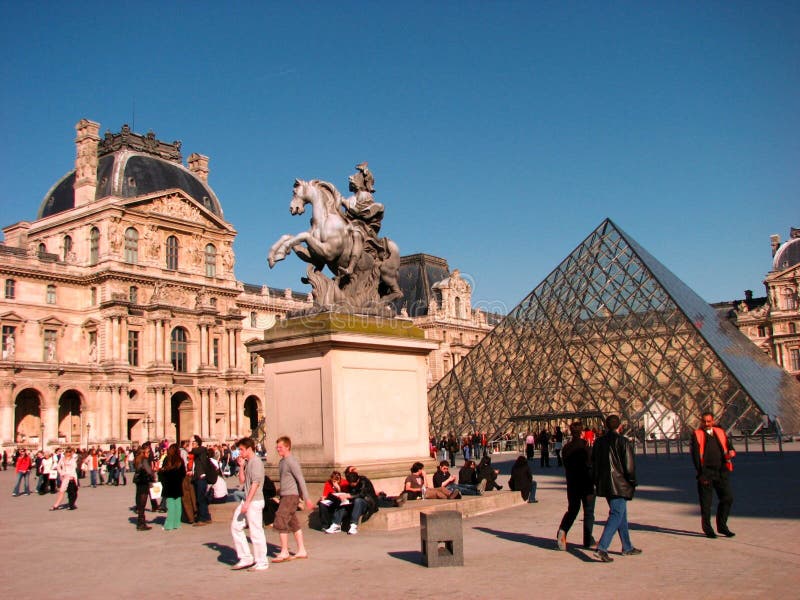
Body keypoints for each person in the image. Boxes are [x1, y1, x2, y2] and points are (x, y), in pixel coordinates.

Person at [592, 414, 641, 562]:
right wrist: (632, 481)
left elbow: (594, 463)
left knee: (621, 515)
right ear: (620, 426)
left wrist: (597, 481)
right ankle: (602, 548)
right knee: (616, 515)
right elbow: (629, 466)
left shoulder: (598, 442)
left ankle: (627, 546)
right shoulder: (623, 441)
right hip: (619, 484)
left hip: (606, 484)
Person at [691, 412, 736, 538]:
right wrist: (701, 474)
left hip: (721, 471)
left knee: (728, 498)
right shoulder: (697, 434)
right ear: (701, 421)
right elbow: (695, 456)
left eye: (709, 421)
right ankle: (708, 529)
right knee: (706, 504)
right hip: (706, 473)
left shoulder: (720, 431)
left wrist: (732, 451)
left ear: (713, 421)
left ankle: (722, 526)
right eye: (704, 421)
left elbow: (728, 445)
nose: (706, 424)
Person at [230, 437, 269, 571]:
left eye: (241, 449)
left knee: (255, 531)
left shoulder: (256, 462)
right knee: (236, 526)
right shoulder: (248, 462)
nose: (239, 452)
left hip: (254, 500)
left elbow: (256, 483)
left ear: (249, 449)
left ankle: (262, 560)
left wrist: (247, 502)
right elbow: (242, 481)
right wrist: (241, 466)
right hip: (247, 499)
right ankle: (246, 557)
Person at [556, 421, 596, 551]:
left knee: (572, 510)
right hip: (586, 484)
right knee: (588, 512)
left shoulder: (566, 448)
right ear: (582, 432)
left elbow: (566, 465)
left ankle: (563, 530)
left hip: (572, 484)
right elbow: (591, 466)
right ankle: (588, 540)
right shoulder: (586, 447)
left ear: (570, 432)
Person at [273, 436, 312, 562]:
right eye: (277, 447)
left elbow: (300, 479)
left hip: (291, 495)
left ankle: (284, 551)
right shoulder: (282, 462)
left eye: (280, 447)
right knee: (292, 522)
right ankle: (301, 550)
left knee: (281, 518)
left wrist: (306, 498)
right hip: (286, 495)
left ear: (287, 447)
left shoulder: (291, 461)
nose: (278, 449)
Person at [325, 467, 380, 535]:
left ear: (357, 480)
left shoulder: (364, 481)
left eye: (353, 484)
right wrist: (343, 496)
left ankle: (353, 525)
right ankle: (336, 524)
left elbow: (362, 494)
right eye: (350, 483)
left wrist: (349, 496)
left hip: (367, 503)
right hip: (354, 502)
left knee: (358, 500)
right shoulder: (350, 483)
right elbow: (350, 493)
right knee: (343, 504)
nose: (351, 485)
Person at [158, 444, 186, 531]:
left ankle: (169, 525)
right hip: (177, 485)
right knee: (178, 505)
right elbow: (183, 473)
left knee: (170, 506)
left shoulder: (168, 459)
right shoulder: (180, 460)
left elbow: (164, 472)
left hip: (169, 485)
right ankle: (176, 523)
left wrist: (160, 473)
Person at [190, 435, 216, 526]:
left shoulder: (201, 449)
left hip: (201, 478)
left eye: (193, 442)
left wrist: (190, 445)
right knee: (201, 498)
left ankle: (202, 518)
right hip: (198, 477)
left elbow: (192, 451)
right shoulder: (199, 451)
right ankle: (206, 517)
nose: (191, 444)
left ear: (197, 442)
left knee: (201, 498)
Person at [133, 445, 155, 531]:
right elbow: (149, 471)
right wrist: (153, 474)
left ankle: (140, 522)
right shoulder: (144, 460)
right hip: (144, 481)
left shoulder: (137, 459)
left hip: (138, 482)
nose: (149, 454)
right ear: (143, 453)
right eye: (148, 452)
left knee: (140, 501)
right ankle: (141, 523)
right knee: (143, 502)